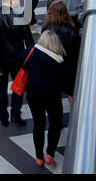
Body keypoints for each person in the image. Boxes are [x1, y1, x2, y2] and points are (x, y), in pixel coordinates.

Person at [17, 29, 67, 168]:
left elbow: (20, 59)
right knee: (55, 124)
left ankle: (39, 157)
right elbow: (63, 82)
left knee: (38, 124)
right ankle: (50, 153)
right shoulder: (60, 60)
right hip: (53, 97)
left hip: (34, 95)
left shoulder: (32, 52)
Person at [0, 0, 32, 127]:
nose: (17, 2)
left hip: (0, 60)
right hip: (17, 59)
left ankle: (3, 115)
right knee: (18, 87)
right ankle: (16, 113)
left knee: (1, 89)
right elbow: (29, 42)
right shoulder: (20, 17)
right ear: (10, 0)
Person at [41, 1, 80, 102]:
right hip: (68, 66)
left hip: (52, 65)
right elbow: (77, 49)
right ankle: (73, 115)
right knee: (71, 92)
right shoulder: (71, 29)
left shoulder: (46, 28)